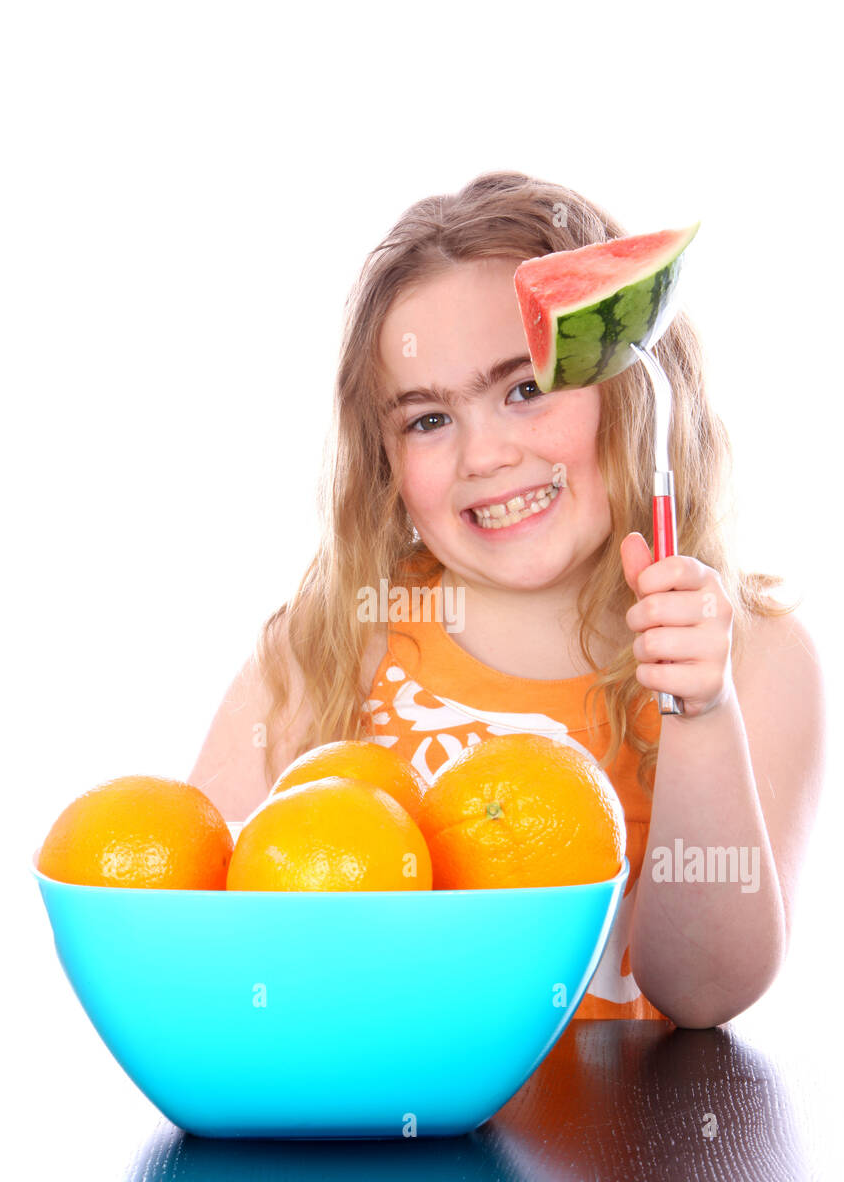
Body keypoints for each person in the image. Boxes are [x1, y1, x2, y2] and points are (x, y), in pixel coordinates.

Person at [189, 170, 825, 1029]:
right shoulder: (335, 642)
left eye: (525, 389)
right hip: (381, 1140)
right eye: (427, 419)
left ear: (630, 386)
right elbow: (202, 927)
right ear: (384, 466)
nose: (484, 455)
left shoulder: (753, 656)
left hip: (622, 1154)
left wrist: (703, 712)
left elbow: (703, 992)